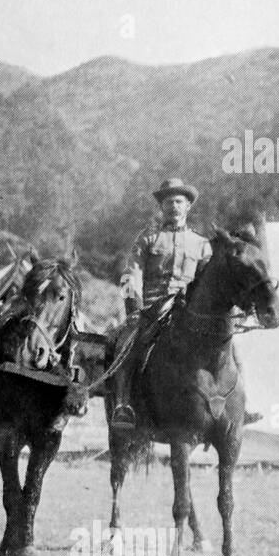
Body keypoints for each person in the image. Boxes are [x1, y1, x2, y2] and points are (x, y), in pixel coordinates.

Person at [109, 179, 212, 430]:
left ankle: (235, 405)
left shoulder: (201, 244)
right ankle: (124, 406)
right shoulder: (148, 239)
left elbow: (209, 282)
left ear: (187, 207)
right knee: (126, 341)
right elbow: (130, 275)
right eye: (168, 202)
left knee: (228, 346)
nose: (173, 207)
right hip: (153, 310)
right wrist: (134, 310)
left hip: (189, 312)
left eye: (179, 202)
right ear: (161, 207)